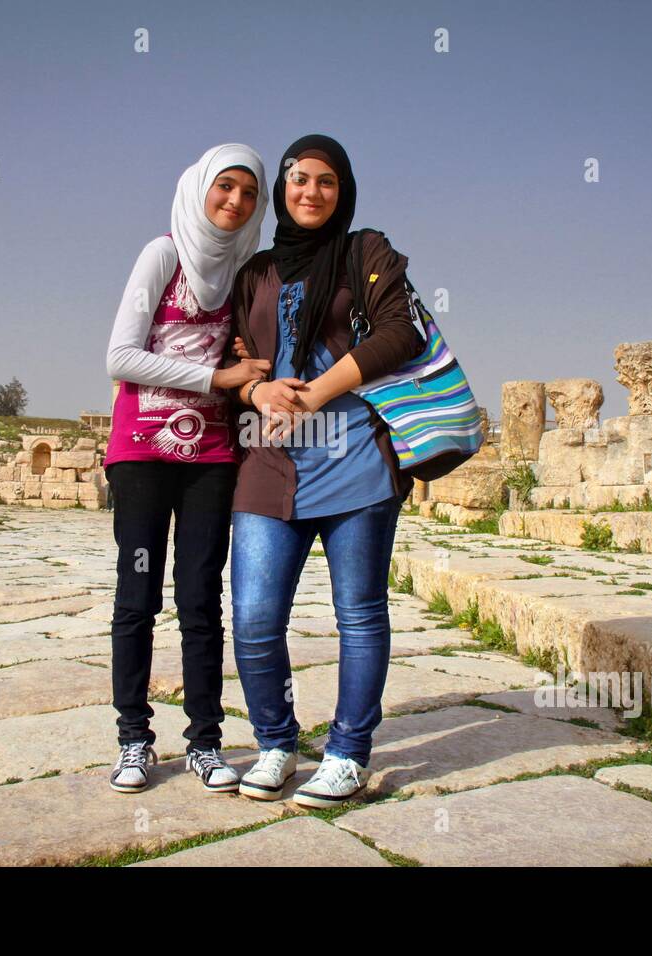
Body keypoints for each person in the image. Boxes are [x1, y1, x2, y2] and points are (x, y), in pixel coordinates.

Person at [223, 134, 425, 808]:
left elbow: (402, 333)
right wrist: (257, 391)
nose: (311, 191)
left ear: (344, 191)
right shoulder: (254, 272)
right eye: (299, 179)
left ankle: (346, 753)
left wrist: (314, 391)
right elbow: (236, 356)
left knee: (359, 614)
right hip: (268, 460)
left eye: (327, 181)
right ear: (283, 189)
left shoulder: (367, 251)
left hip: (356, 461)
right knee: (252, 617)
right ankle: (276, 743)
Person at [103, 143, 271, 794]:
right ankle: (133, 738)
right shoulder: (164, 254)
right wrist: (216, 374)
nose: (234, 201)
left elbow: (259, 354)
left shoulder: (245, 273)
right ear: (199, 189)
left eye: (248, 193)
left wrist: (250, 359)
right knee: (137, 600)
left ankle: (205, 741)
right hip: (143, 452)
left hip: (211, 456)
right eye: (224, 187)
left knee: (202, 600)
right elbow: (120, 356)